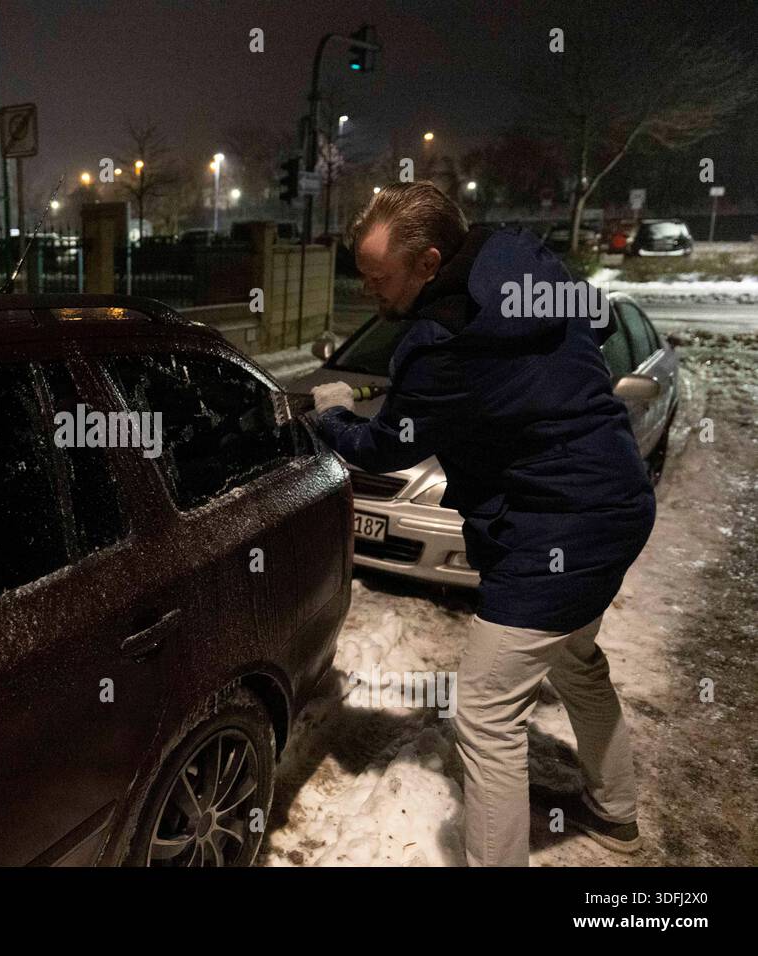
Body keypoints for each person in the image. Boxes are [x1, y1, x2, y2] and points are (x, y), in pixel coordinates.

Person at [307, 181, 656, 866]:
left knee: (487, 715)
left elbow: (388, 445)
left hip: (558, 531)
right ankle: (616, 813)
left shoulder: (447, 346)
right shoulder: (521, 268)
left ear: (430, 261)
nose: (372, 292)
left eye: (380, 279)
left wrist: (334, 415)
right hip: (617, 502)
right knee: (579, 662)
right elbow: (592, 327)